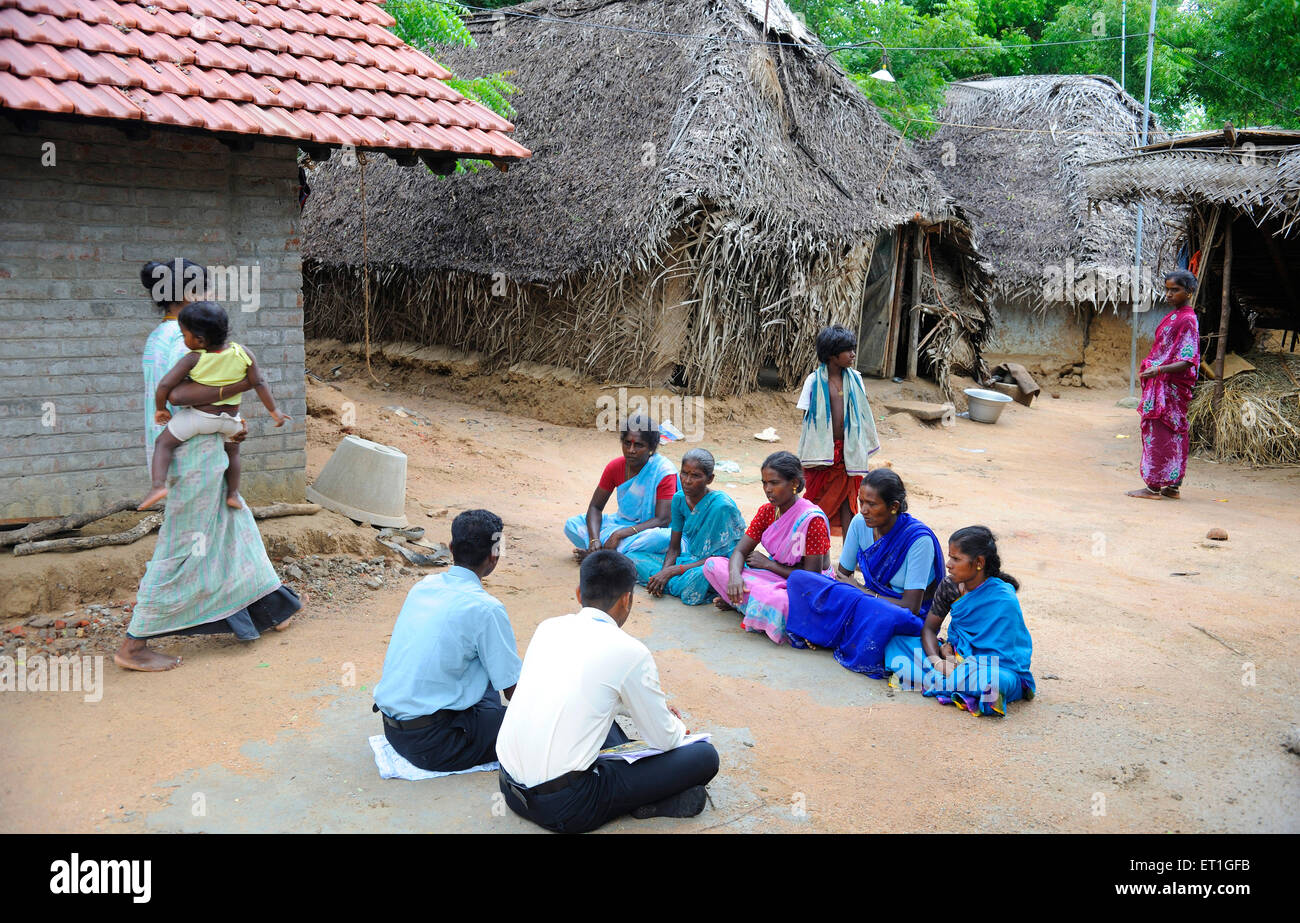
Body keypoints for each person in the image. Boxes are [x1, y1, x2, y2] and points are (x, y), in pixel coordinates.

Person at [117, 262, 298, 672]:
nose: (208, 296)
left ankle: (272, 608)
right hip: (192, 454)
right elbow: (179, 396)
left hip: (194, 446)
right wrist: (244, 384)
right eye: (203, 289)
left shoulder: (159, 337)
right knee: (182, 542)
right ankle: (134, 643)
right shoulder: (183, 342)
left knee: (236, 525)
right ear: (187, 294)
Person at [495, 551, 721, 833]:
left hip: (510, 788)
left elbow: (587, 688)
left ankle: (642, 797)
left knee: (603, 716)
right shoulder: (630, 651)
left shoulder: (548, 627)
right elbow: (664, 738)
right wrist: (677, 727)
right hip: (565, 807)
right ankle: (642, 801)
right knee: (704, 756)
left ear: (579, 593)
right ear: (627, 599)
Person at [372, 510, 522, 772]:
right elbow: (513, 691)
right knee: (539, 728)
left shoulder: (424, 586)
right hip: (436, 744)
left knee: (482, 670)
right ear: (494, 554)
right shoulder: (487, 608)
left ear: (451, 547)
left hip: (395, 731)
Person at [786, 469, 944, 675]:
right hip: (866, 602)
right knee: (800, 579)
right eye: (862, 503)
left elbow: (911, 606)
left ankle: (831, 634)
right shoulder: (860, 523)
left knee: (879, 613)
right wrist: (858, 592)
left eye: (872, 504)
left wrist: (863, 591)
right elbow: (842, 576)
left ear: (894, 507)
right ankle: (844, 631)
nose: (864, 510)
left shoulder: (918, 540)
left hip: (898, 613)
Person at [139, 301, 290, 511]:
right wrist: (275, 412)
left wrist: (160, 408)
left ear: (200, 340)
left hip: (200, 419)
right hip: (231, 422)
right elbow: (259, 382)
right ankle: (233, 494)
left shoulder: (193, 358)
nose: (183, 340)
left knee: (163, 443)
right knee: (234, 453)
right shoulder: (242, 352)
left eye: (185, 336)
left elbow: (165, 385)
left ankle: (157, 487)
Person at [882, 526, 1035, 717]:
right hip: (954, 659)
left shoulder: (1004, 600)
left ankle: (946, 681)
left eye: (956, 559)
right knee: (896, 642)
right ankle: (953, 681)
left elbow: (1005, 658)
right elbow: (929, 629)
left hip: (993, 668)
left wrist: (956, 662)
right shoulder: (949, 587)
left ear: (979, 562)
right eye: (949, 557)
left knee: (994, 684)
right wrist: (938, 662)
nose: (948, 564)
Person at [701, 451, 833, 644]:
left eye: (774, 483)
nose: (768, 489)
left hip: (803, 586)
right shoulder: (767, 511)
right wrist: (735, 578)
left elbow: (811, 579)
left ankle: (745, 604)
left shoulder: (811, 520)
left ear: (795, 483)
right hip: (772, 579)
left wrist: (768, 565)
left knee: (778, 602)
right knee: (713, 565)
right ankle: (752, 605)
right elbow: (739, 551)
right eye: (764, 483)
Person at [625, 449, 746, 606]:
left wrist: (673, 571)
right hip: (689, 558)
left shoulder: (722, 506)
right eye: (684, 473)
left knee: (697, 579)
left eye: (695, 476)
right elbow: (674, 548)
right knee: (632, 557)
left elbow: (726, 557)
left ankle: (674, 583)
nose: (687, 480)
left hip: (714, 564)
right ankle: (668, 582)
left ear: (710, 479)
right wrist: (664, 572)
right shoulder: (679, 499)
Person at [797, 324, 880, 536]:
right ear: (832, 354)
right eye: (848, 350)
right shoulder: (814, 381)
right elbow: (808, 421)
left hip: (849, 452)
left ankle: (849, 555)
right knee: (817, 501)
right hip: (823, 454)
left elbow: (861, 412)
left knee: (849, 503)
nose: (853, 354)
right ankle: (813, 547)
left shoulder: (856, 379)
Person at [1128, 270, 1202, 500]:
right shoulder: (1175, 316)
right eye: (1167, 289)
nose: (1168, 294)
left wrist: (1158, 370)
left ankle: (1153, 487)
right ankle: (1172, 486)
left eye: (1175, 290)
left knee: (1161, 433)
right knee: (1173, 433)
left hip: (1169, 389)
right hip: (1165, 387)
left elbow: (1188, 359)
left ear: (1189, 292)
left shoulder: (1187, 319)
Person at [564, 413, 678, 561]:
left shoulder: (663, 472)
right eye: (627, 443)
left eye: (638, 445)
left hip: (648, 531)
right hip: (620, 523)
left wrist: (619, 534)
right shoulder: (615, 467)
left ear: (651, 447)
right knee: (572, 525)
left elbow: (663, 520)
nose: (631, 450)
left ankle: (602, 555)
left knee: (662, 537)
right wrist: (594, 540)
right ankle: (609, 553)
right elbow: (595, 508)